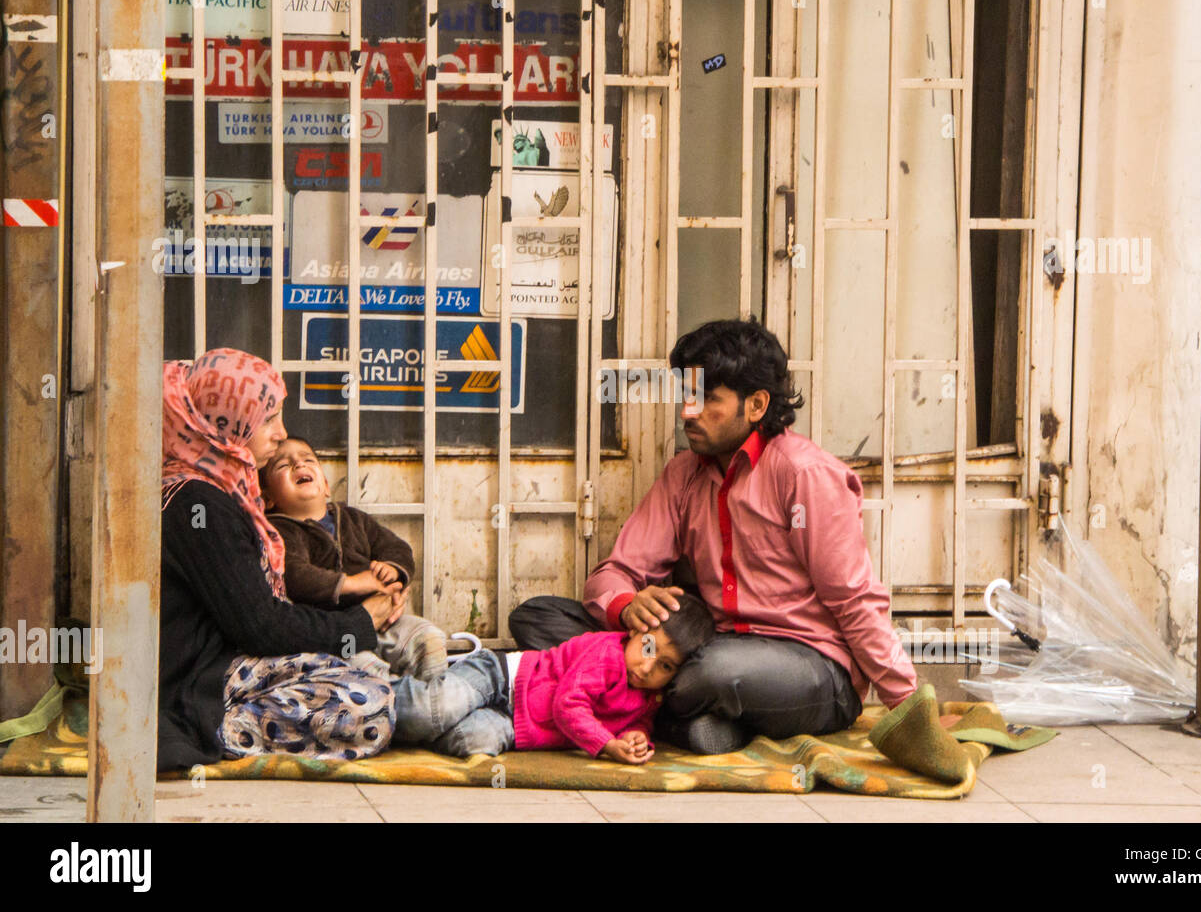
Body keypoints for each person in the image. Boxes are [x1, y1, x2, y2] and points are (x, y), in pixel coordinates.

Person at [510, 317, 918, 754]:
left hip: (811, 668)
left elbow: (853, 599)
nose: (688, 411)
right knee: (538, 618)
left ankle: (649, 712)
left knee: (711, 671)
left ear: (757, 404)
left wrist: (907, 706)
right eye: (687, 396)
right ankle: (694, 725)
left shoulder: (805, 476)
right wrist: (628, 607)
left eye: (707, 400)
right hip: (703, 650)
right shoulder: (684, 475)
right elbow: (616, 572)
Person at [158, 348, 400, 770]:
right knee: (372, 703)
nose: (280, 432)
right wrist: (360, 623)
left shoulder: (217, 488)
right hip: (200, 685)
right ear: (227, 423)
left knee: (358, 672)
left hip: (223, 664)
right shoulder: (199, 505)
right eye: (268, 419)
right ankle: (219, 729)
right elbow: (261, 626)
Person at [394, 592, 715, 761]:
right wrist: (605, 746)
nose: (647, 667)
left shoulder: (650, 697)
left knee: (474, 740)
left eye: (666, 666)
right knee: (438, 709)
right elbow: (567, 705)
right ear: (634, 629)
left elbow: (636, 720)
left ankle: (403, 727)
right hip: (505, 678)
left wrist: (635, 736)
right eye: (648, 647)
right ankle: (382, 693)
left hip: (518, 727)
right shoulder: (607, 656)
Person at [262, 436, 451, 683]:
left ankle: (436, 700)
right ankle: (406, 711)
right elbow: (296, 575)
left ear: (327, 486)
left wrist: (393, 573)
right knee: (366, 673)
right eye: (284, 465)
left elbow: (396, 547)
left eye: (308, 460)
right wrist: (354, 583)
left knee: (430, 638)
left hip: (386, 622)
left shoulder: (353, 518)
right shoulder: (280, 531)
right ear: (267, 500)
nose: (299, 465)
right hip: (339, 636)